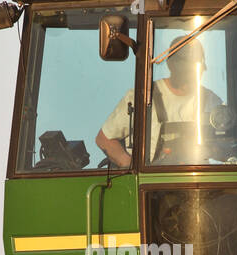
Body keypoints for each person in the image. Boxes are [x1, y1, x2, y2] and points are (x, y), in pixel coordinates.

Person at [95, 35, 223, 167]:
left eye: (193, 66)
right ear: (170, 64)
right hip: (151, 182)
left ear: (202, 68)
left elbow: (225, 144)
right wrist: (131, 167)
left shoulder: (212, 101)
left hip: (197, 180)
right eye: (184, 66)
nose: (188, 72)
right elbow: (104, 139)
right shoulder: (141, 98)